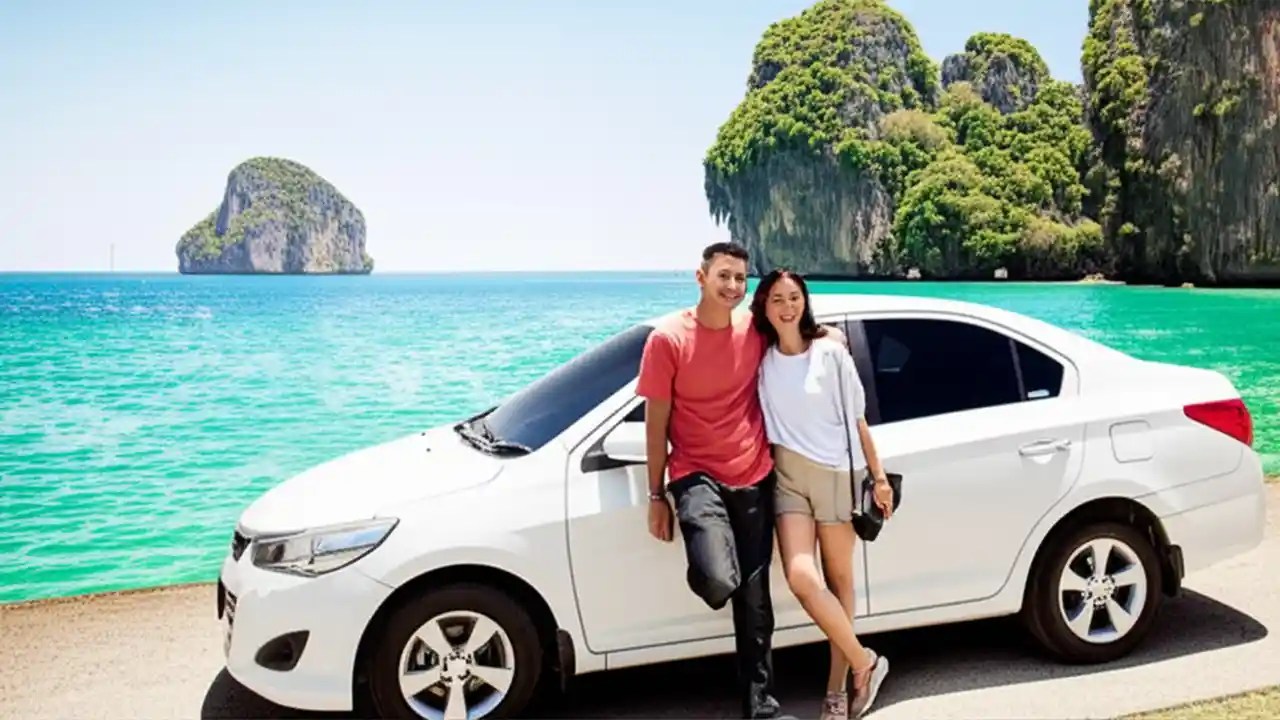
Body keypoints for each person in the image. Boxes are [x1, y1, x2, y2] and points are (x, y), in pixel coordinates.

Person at [636, 241, 781, 719]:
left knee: (756, 603)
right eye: (724, 276)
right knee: (720, 580)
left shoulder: (753, 332)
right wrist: (656, 494)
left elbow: (797, 340)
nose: (734, 287)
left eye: (741, 278)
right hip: (696, 474)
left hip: (755, 473)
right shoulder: (668, 339)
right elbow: (655, 422)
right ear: (701, 277)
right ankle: (716, 570)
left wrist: (830, 340)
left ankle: (759, 702)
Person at [750, 268, 893, 719]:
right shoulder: (762, 358)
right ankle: (864, 660)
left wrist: (880, 477)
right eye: (777, 299)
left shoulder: (831, 354)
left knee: (839, 582)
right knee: (801, 577)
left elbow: (858, 420)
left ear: (805, 303)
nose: (787, 306)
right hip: (788, 475)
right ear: (764, 306)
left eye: (794, 298)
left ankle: (836, 691)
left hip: (836, 473)